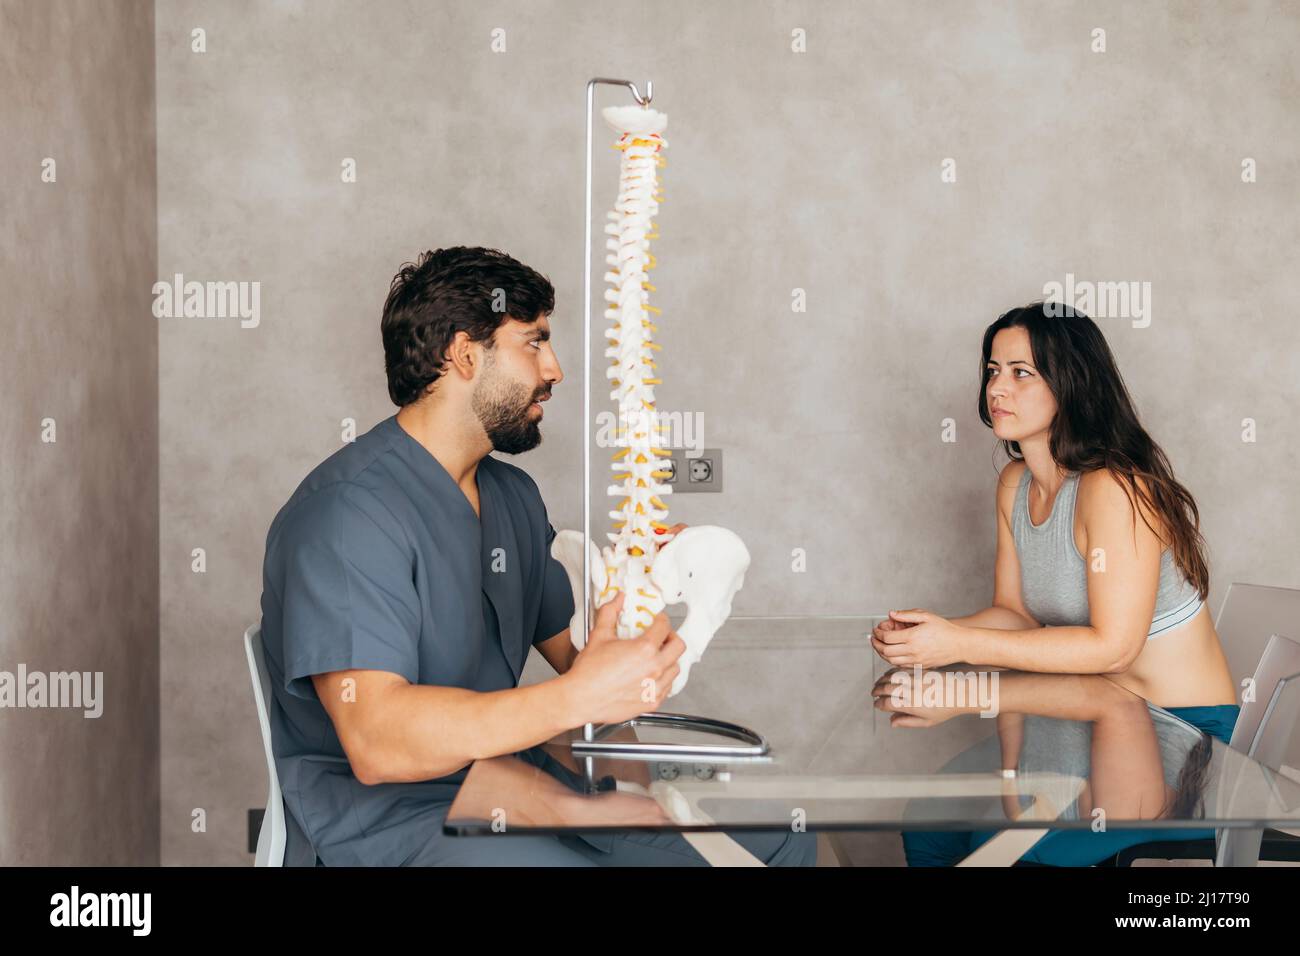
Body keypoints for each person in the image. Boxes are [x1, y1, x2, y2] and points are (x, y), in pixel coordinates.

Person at [258, 246, 815, 866]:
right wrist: (578, 701)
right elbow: (379, 743)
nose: (555, 368)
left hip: (510, 784)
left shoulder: (513, 496)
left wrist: (647, 580)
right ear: (465, 354)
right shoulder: (346, 515)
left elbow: (587, 655)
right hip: (391, 817)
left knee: (784, 837)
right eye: (534, 342)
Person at [872, 301, 1239, 866]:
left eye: (1022, 373)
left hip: (1182, 733)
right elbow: (1014, 614)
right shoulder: (1016, 485)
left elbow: (1114, 646)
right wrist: (934, 633)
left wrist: (960, 650)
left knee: (1015, 855)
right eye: (994, 370)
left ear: (1072, 384)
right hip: (1101, 714)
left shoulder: (1114, 488)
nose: (999, 387)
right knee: (934, 826)